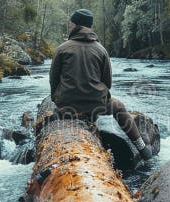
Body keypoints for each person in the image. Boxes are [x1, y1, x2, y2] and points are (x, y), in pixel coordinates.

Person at [49, 9, 153, 160]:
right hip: (96, 105)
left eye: (71, 23)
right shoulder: (101, 50)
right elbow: (107, 83)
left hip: (67, 105)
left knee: (55, 112)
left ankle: (62, 119)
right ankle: (142, 148)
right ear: (90, 26)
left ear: (75, 25)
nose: (70, 25)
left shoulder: (62, 49)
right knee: (119, 107)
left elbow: (53, 80)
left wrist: (57, 99)